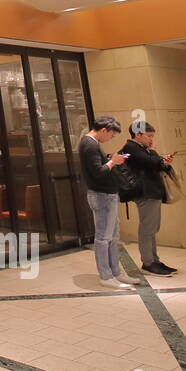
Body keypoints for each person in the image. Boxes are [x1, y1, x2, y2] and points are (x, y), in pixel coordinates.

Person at [77, 115, 141, 289]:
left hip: (107, 195)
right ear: (104, 130)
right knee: (104, 238)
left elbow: (97, 167)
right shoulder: (89, 144)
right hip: (102, 195)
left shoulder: (90, 143)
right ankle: (106, 275)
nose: (111, 138)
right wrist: (113, 161)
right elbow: (98, 172)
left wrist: (110, 159)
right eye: (111, 135)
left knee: (112, 237)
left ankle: (116, 273)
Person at [119, 121, 178, 277]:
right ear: (138, 135)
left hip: (152, 192)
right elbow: (152, 163)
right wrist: (154, 153)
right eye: (149, 136)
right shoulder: (131, 148)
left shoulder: (142, 148)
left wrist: (162, 160)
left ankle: (154, 260)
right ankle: (148, 262)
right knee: (147, 229)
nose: (151, 139)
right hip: (145, 193)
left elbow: (157, 164)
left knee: (152, 228)